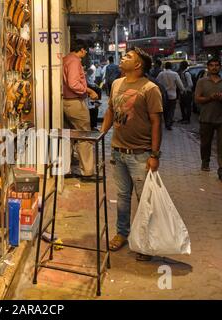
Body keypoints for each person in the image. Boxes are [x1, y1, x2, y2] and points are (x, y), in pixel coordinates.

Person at [101, 47, 163, 261]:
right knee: (122, 197)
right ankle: (122, 233)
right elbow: (110, 110)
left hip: (141, 154)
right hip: (118, 151)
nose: (122, 58)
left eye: (128, 56)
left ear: (138, 65)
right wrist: (102, 135)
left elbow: (157, 122)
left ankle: (146, 242)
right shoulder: (117, 83)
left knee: (144, 199)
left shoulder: (150, 88)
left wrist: (154, 154)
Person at [63, 40, 99, 182]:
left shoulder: (66, 59)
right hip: (74, 102)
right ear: (82, 50)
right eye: (86, 51)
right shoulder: (74, 60)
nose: (86, 54)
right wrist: (89, 91)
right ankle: (87, 172)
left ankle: (66, 169)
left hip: (67, 102)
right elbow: (73, 83)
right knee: (85, 136)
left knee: (69, 136)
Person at [195, 57, 222, 183]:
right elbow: (197, 99)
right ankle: (205, 162)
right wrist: (210, 98)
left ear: (220, 67)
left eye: (217, 65)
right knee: (205, 144)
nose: (214, 67)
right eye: (211, 65)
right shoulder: (202, 82)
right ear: (208, 67)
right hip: (206, 118)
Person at [156, 62, 185, 130]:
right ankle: (169, 123)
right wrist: (182, 90)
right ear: (171, 67)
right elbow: (180, 84)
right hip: (173, 95)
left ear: (165, 67)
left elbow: (156, 82)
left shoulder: (161, 74)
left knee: (165, 110)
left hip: (164, 95)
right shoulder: (175, 74)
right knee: (171, 110)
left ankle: (166, 123)